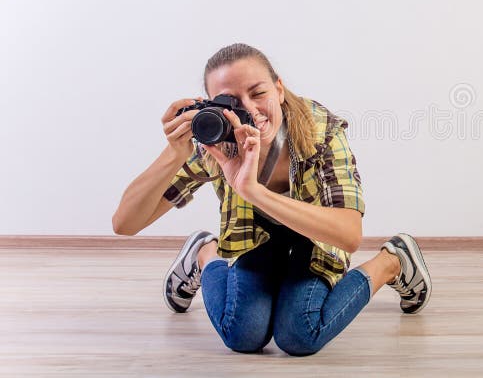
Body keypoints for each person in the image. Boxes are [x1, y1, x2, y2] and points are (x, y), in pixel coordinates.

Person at [112, 43, 431, 355]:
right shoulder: (216, 145)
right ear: (211, 107)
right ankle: (205, 253)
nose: (249, 109)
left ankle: (393, 261)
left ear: (279, 89)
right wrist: (173, 154)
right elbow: (125, 224)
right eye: (230, 102)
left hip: (315, 239)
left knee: (300, 335)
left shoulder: (321, 131)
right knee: (242, 335)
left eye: (258, 93)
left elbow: (349, 235)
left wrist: (254, 191)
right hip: (257, 238)